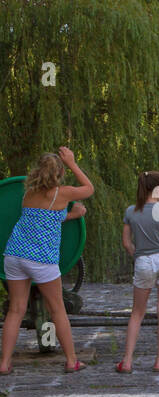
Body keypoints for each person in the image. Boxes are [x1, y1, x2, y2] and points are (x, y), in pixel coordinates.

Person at [1, 147, 92, 375]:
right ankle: (72, 361)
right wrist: (72, 162)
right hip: (41, 259)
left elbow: (44, 219)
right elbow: (89, 189)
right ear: (60, 172)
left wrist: (73, 215)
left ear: (38, 170)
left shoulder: (27, 193)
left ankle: (3, 364)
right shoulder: (62, 193)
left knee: (15, 310)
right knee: (57, 309)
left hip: (14, 255)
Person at [117, 171, 159, 373]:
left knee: (137, 313)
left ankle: (127, 362)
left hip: (144, 261)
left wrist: (138, 255)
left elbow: (126, 243)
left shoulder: (131, 212)